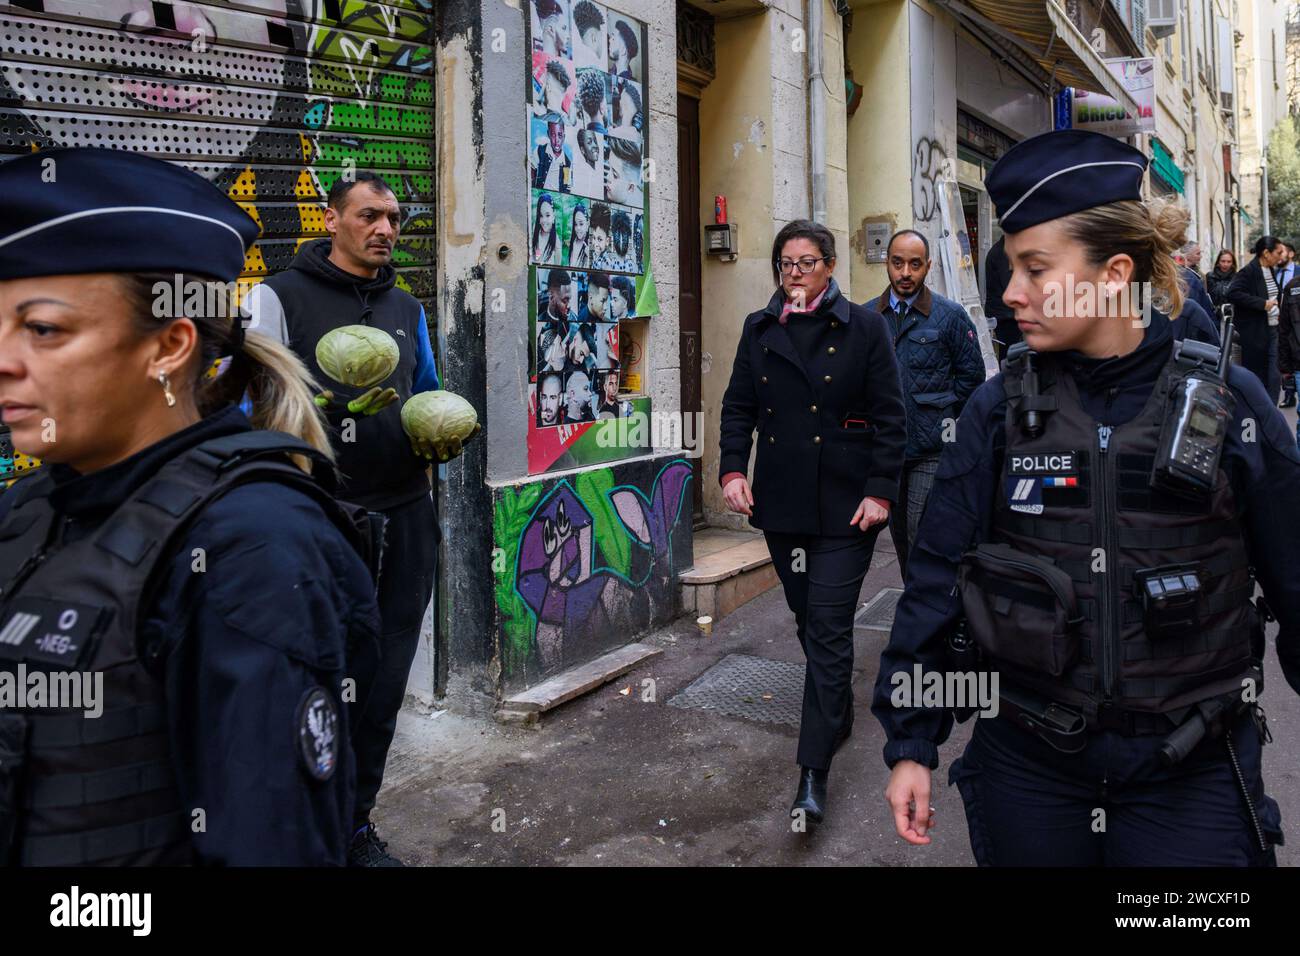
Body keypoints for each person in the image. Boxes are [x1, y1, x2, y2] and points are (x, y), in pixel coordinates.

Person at [873, 129, 1300, 866]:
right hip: (1029, 771)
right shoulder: (997, 409)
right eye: (1012, 268)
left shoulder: (1231, 405)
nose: (1010, 292)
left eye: (1036, 269)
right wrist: (912, 740)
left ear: (1115, 273)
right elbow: (938, 580)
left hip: (1190, 775)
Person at [0, 147, 379, 865]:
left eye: (43, 329)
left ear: (169, 346)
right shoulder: (32, 504)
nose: (5, 358)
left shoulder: (253, 546)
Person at [243, 170, 477, 866]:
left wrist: (444, 432)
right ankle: (292, 830)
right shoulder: (277, 298)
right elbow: (246, 408)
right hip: (317, 522)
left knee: (379, 690)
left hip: (404, 520)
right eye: (370, 215)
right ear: (331, 219)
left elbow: (428, 395)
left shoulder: (407, 307)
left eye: (395, 218)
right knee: (305, 683)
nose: (386, 229)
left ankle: (353, 826)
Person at [720, 219, 905, 826]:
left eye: (805, 262)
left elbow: (890, 417)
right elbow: (739, 406)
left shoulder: (866, 328)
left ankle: (811, 773)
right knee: (807, 619)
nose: (793, 273)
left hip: (847, 508)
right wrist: (731, 472)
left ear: (829, 266)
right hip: (783, 504)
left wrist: (881, 492)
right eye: (784, 264)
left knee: (827, 627)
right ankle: (837, 708)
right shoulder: (759, 328)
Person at [869, 229, 984, 572]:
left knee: (922, 531)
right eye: (898, 263)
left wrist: (942, 417)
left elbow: (971, 380)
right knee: (900, 535)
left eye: (915, 264)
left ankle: (929, 607)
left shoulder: (950, 317)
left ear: (928, 266)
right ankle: (917, 603)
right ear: (886, 263)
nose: (906, 273)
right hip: (885, 450)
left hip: (931, 451)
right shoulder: (867, 318)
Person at [1226, 235, 1285, 403]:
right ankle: (1259, 411)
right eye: (1278, 252)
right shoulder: (1249, 271)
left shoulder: (1270, 270)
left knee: (1274, 375)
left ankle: (1271, 411)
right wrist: (1262, 304)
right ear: (1266, 253)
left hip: (1273, 329)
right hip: (1255, 333)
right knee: (1258, 375)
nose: (1281, 256)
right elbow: (1233, 293)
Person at [983, 235, 1018, 354]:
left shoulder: (1004, 251)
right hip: (1004, 317)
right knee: (1010, 356)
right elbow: (1009, 285)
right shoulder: (1002, 254)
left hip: (1005, 314)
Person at [532, 118, 572, 194]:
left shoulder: (567, 164)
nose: (557, 140)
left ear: (564, 136)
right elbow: (531, 174)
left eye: (560, 135)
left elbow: (566, 186)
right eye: (553, 135)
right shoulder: (540, 151)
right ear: (548, 134)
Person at [531, 192, 561, 265]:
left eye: (547, 215)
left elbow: (557, 267)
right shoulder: (536, 232)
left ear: (553, 215)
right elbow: (537, 258)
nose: (544, 220)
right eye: (541, 215)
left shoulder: (556, 241)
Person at [567, 201, 591, 269]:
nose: (578, 228)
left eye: (581, 224)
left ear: (587, 224)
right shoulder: (573, 243)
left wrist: (590, 257)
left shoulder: (592, 246)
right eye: (575, 224)